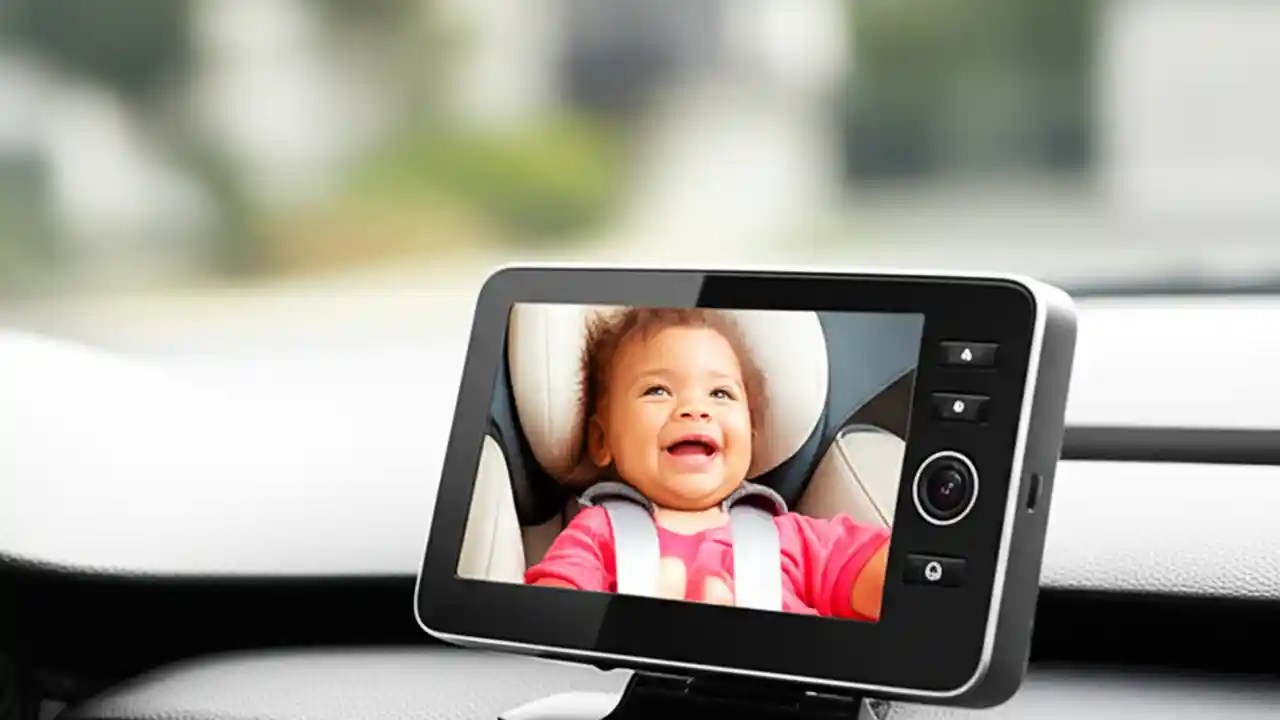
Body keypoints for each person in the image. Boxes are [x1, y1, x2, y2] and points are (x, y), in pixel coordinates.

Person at [524, 307, 889, 620]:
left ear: (750, 437)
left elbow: (882, 579)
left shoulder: (794, 538)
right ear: (603, 441)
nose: (694, 409)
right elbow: (550, 615)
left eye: (720, 393)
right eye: (658, 391)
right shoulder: (598, 532)